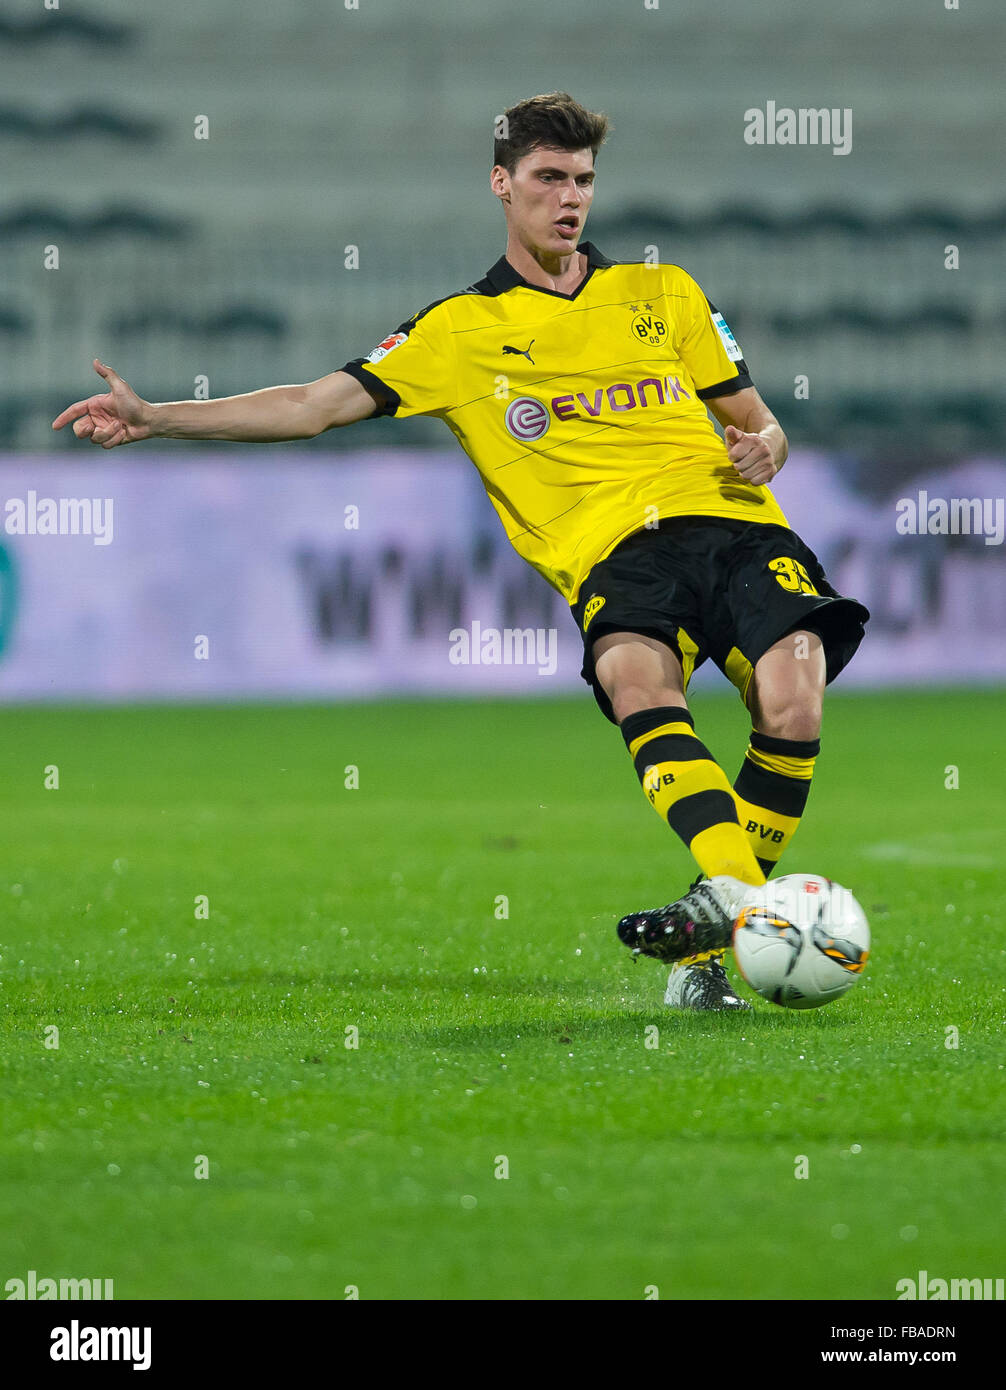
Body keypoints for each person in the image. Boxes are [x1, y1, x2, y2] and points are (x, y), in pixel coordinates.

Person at [52, 92, 869, 1011]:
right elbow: (312, 406)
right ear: (502, 184)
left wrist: (769, 447)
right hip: (614, 553)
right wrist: (160, 416)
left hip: (734, 522)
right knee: (639, 682)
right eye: (549, 178)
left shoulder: (665, 291)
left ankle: (716, 919)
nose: (570, 198)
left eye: (583, 180)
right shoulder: (455, 333)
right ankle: (735, 909)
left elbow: (760, 421)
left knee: (793, 699)